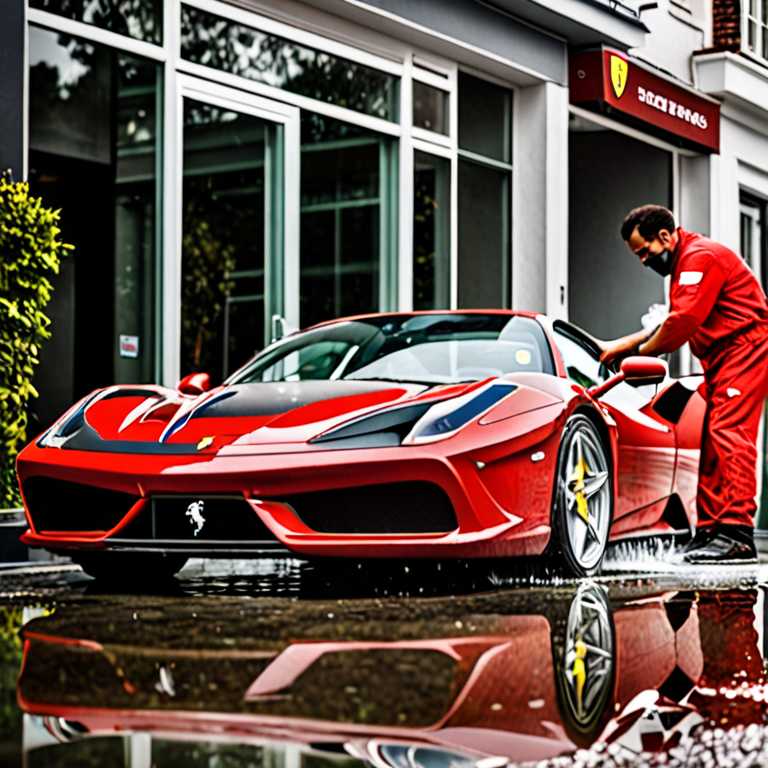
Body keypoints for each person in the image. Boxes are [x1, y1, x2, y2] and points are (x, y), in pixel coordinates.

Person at [600, 205, 768, 564]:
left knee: (729, 432)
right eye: (638, 255)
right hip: (722, 360)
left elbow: (681, 324)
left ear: (665, 236)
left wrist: (639, 351)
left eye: (645, 251)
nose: (644, 261)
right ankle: (711, 530)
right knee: (709, 439)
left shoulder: (699, 258)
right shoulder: (683, 266)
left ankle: (737, 533)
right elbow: (672, 321)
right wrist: (626, 344)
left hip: (746, 351)